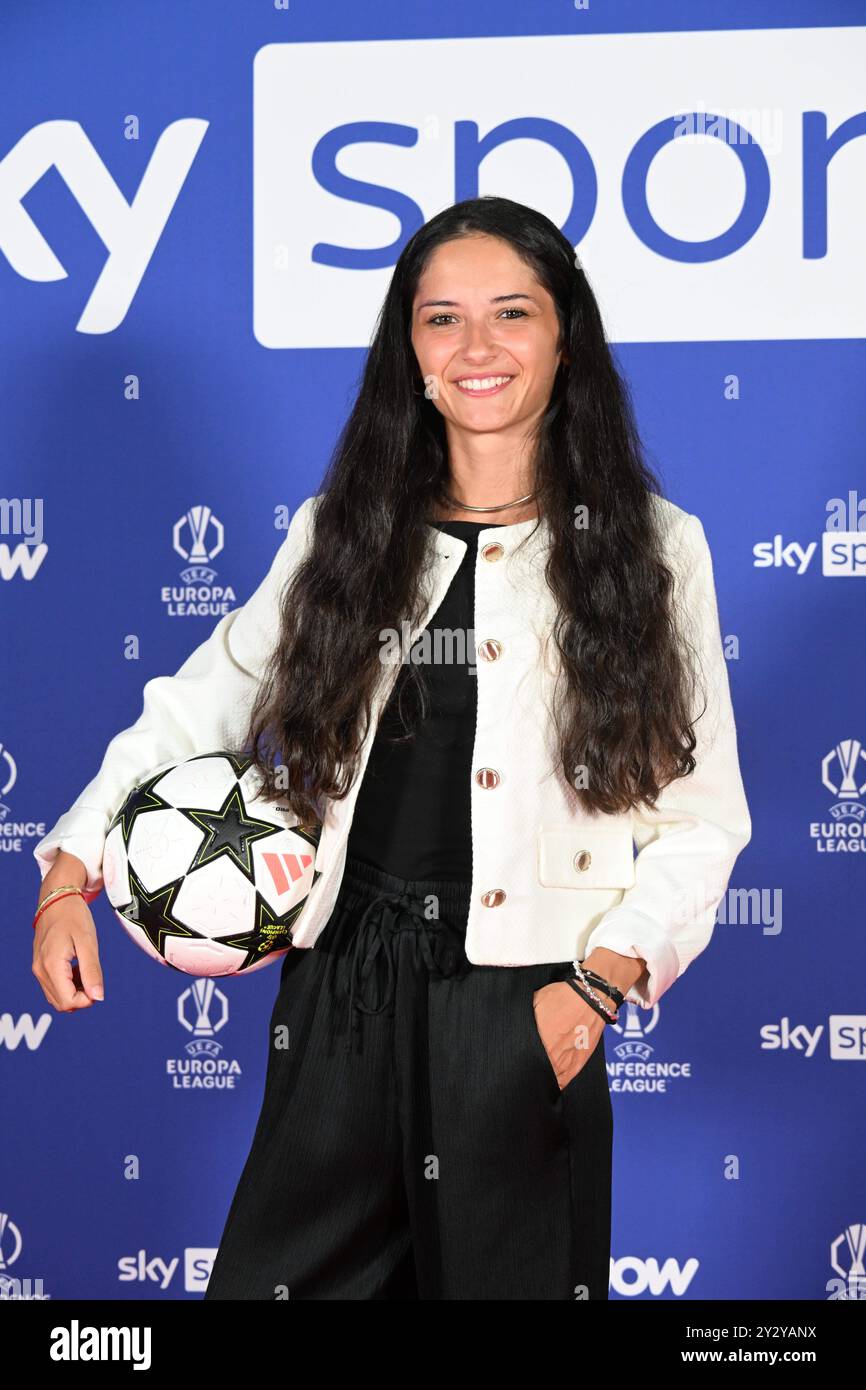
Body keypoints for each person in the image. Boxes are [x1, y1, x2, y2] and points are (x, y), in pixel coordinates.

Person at [32, 195, 751, 1301]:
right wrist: (71, 873)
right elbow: (200, 703)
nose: (475, 349)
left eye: (510, 313)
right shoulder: (345, 526)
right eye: (439, 319)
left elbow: (697, 820)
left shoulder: (655, 551)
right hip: (341, 990)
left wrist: (599, 984)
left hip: (520, 1010)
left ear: (565, 335)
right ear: (407, 348)